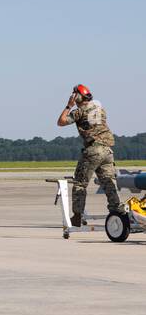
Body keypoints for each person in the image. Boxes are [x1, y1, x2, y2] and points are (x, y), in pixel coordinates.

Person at [57, 84, 123, 226]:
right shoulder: (100, 109)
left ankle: (77, 216)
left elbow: (61, 122)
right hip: (107, 151)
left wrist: (69, 105)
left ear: (78, 97)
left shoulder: (79, 111)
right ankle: (117, 213)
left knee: (80, 183)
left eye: (75, 95)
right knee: (109, 183)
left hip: (93, 150)